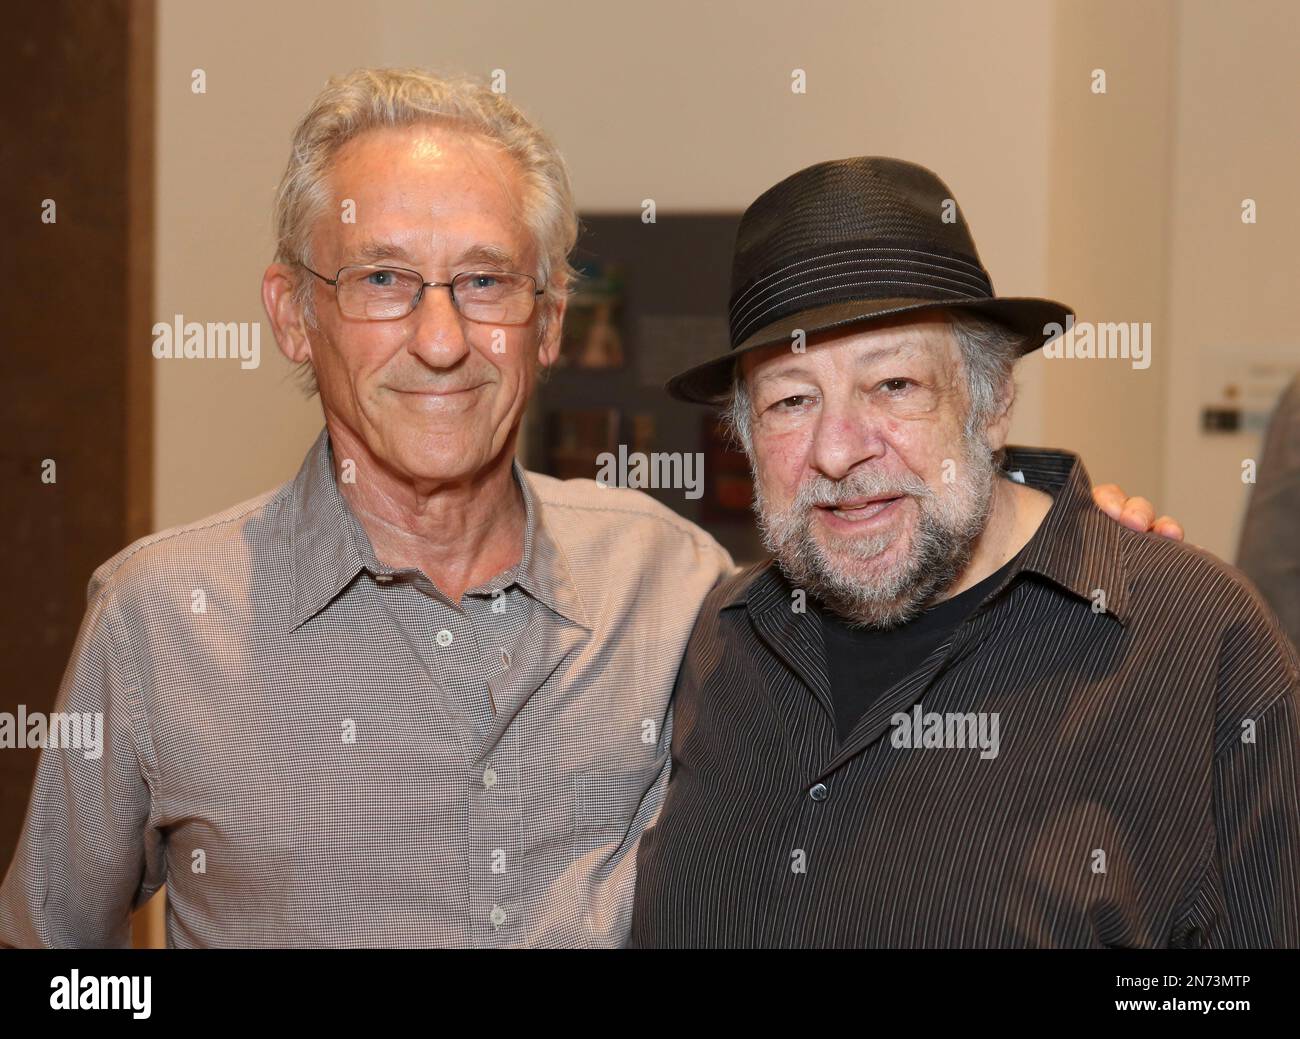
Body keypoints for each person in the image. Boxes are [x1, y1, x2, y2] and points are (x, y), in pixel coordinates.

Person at [0, 75, 1176, 948]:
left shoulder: (673, 585)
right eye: (381, 279)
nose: (443, 337)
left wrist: (1068, 541)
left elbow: (905, 604)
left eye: (486, 280)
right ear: (291, 314)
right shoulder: (160, 620)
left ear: (552, 320)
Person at [631, 156, 1299, 948]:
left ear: (992, 403)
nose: (838, 450)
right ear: (744, 435)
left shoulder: (1193, 644)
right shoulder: (716, 635)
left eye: (895, 385)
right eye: (791, 399)